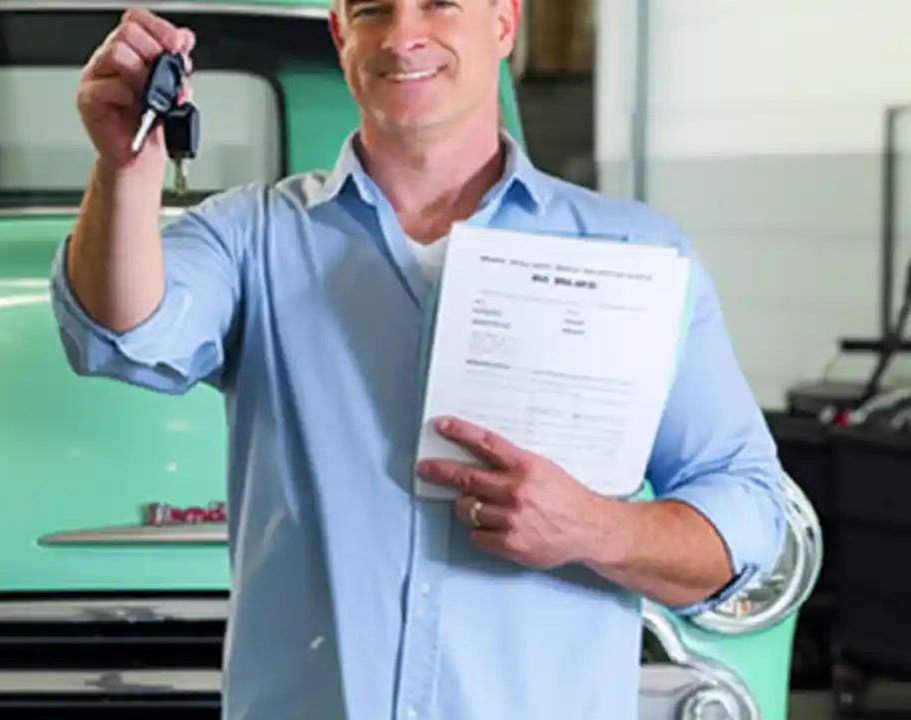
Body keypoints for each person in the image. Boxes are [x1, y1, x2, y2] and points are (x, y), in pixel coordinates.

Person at [51, 0, 787, 717]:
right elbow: (122, 329)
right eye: (374, 10)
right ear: (341, 36)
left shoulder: (634, 254)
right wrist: (125, 169)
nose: (403, 37)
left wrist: (596, 528)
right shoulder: (251, 238)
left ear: (504, 23)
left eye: (439, 5)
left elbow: (750, 515)